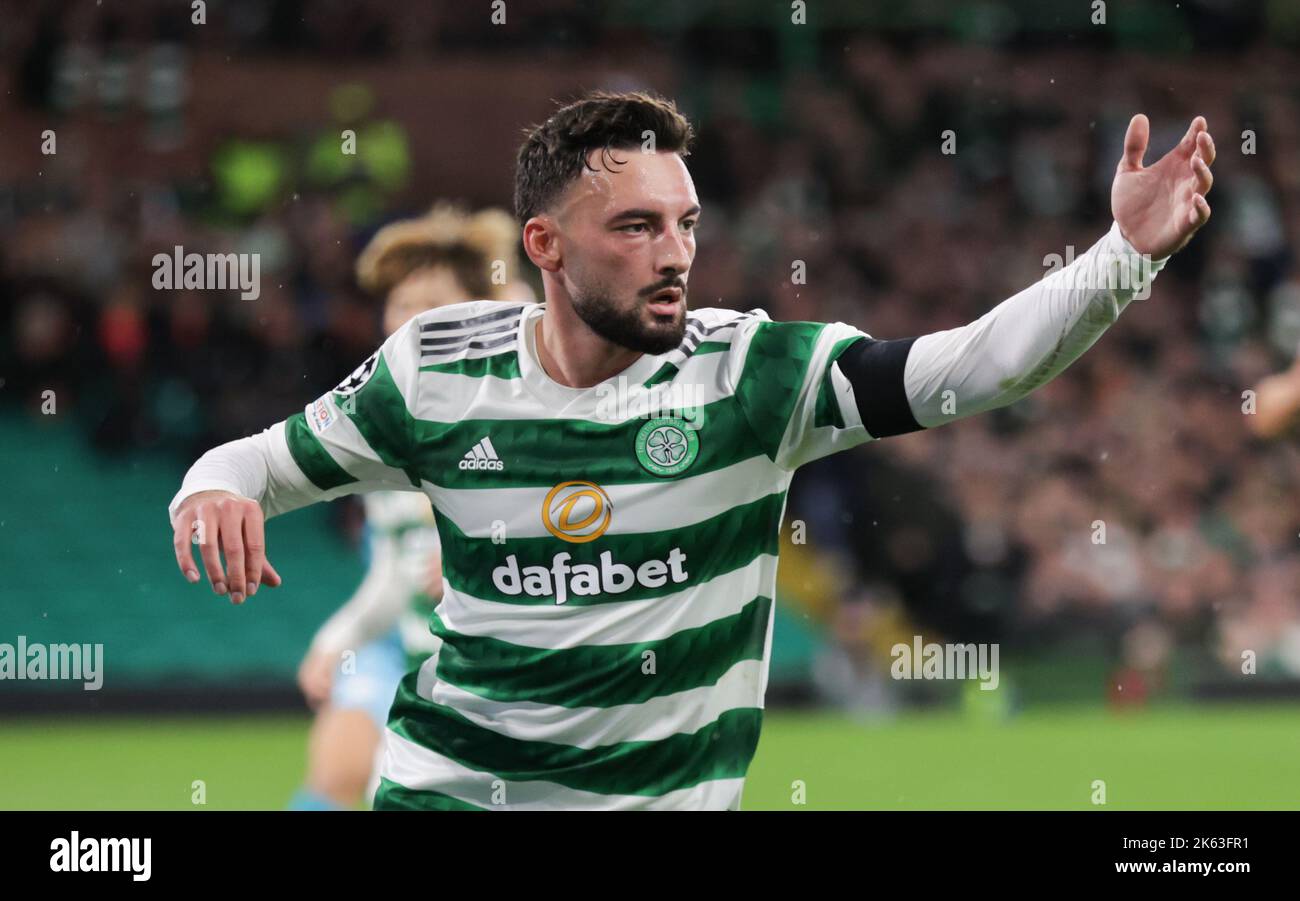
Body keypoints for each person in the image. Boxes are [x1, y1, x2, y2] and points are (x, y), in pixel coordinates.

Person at [169, 90, 1215, 810]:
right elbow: (254, 459)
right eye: (633, 226)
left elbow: (968, 369)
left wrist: (1121, 257)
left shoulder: (749, 374)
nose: (674, 253)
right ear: (544, 245)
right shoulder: (436, 366)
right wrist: (209, 489)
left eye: (685, 222)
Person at [286, 204, 524, 809]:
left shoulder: (535, 414)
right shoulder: (380, 434)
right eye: (400, 306)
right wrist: (335, 639)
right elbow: (394, 573)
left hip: (527, 693)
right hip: (426, 680)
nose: (414, 323)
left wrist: (492, 558)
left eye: (432, 305)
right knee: (337, 782)